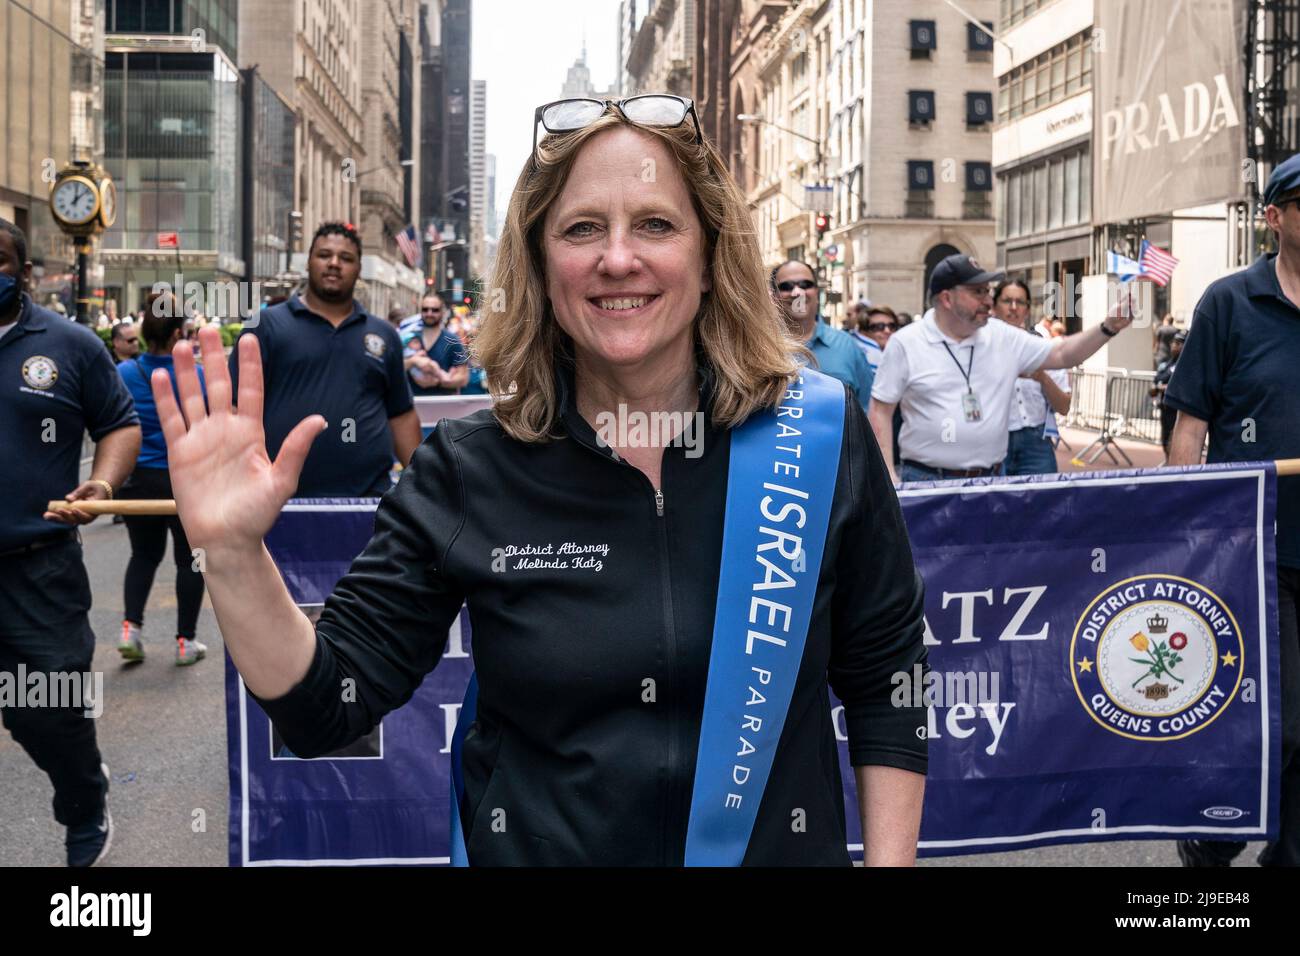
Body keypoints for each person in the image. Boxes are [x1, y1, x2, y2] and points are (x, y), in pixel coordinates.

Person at [156, 94, 928, 866]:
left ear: (708, 256)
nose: (618, 258)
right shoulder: (468, 466)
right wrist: (230, 553)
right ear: (539, 262)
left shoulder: (821, 437)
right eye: (582, 228)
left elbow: (888, 677)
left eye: (655, 224)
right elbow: (328, 709)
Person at [1165, 152, 1300, 867]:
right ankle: (1210, 842)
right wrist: (1190, 531)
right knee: (1276, 724)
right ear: (1274, 218)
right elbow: (1189, 425)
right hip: (1254, 553)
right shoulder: (1229, 302)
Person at [0, 218, 141, 866]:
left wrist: (104, 485)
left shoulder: (71, 345)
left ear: (25, 273)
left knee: (45, 704)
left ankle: (85, 801)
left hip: (40, 566)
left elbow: (119, 424)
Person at [868, 253, 1134, 483]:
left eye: (988, 290)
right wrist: (888, 477)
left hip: (990, 480)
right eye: (977, 291)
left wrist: (1107, 328)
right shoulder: (906, 343)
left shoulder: (1002, 336)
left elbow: (1062, 354)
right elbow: (880, 410)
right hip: (926, 479)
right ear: (947, 298)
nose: (988, 299)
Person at [227, 221, 422, 497]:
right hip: (279, 503)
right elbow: (236, 409)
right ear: (308, 262)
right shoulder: (265, 326)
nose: (334, 263)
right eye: (324, 255)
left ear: (358, 269)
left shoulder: (384, 335)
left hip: (368, 506)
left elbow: (401, 416)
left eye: (346, 258)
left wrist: (424, 490)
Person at [115, 291, 209, 665]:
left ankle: (131, 631)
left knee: (143, 555)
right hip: (184, 480)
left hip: (138, 480)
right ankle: (186, 642)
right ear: (175, 335)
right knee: (190, 560)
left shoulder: (123, 373)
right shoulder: (196, 375)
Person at [770, 259, 875, 409]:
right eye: (787, 286)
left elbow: (869, 409)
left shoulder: (847, 346)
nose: (797, 292)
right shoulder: (759, 347)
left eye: (805, 285)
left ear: (817, 293)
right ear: (774, 296)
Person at [992, 279, 1071, 476]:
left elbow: (1064, 407)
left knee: (1044, 502)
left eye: (1020, 302)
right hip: (994, 442)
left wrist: (1042, 378)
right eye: (1007, 301)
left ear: (1027, 310)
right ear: (993, 307)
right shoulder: (979, 349)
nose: (1013, 308)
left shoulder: (1042, 348)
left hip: (1036, 442)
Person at [400, 293, 470, 395]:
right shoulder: (409, 337)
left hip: (442, 406)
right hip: (412, 405)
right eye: (425, 309)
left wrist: (437, 382)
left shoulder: (452, 340)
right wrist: (413, 361)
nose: (429, 313)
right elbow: (395, 367)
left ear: (442, 312)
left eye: (435, 310)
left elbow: (463, 378)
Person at [1150, 328, 1185, 458]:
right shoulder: (1167, 364)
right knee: (1165, 440)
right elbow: (1158, 379)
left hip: (1178, 409)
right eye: (1173, 343)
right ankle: (1168, 461)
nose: (1173, 346)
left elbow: (1179, 383)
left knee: (1175, 440)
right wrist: (1160, 387)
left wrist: (1163, 387)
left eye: (1178, 343)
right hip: (1165, 407)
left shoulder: (1185, 364)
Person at [850, 305, 899, 372]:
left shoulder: (899, 353)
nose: (887, 331)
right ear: (864, 331)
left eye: (891, 326)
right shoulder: (859, 357)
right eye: (879, 326)